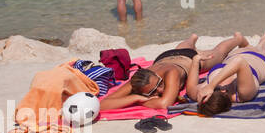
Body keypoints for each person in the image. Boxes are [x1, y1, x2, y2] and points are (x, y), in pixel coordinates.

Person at [99, 32, 248, 112]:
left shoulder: (171, 74)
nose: (161, 90)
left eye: (159, 84)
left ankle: (238, 39)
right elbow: (104, 103)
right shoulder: (138, 81)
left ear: (155, 75)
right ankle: (192, 38)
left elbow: (165, 103)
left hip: (187, 60)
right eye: (153, 92)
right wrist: (135, 99)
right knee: (185, 46)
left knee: (219, 53)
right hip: (166, 56)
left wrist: (144, 100)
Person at [190, 32, 265, 116]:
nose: (219, 86)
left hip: (239, 53)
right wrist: (211, 85)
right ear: (224, 92)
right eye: (218, 88)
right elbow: (239, 62)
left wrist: (196, 60)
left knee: (252, 48)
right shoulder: (243, 94)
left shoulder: (203, 93)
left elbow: (190, 89)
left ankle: (260, 45)